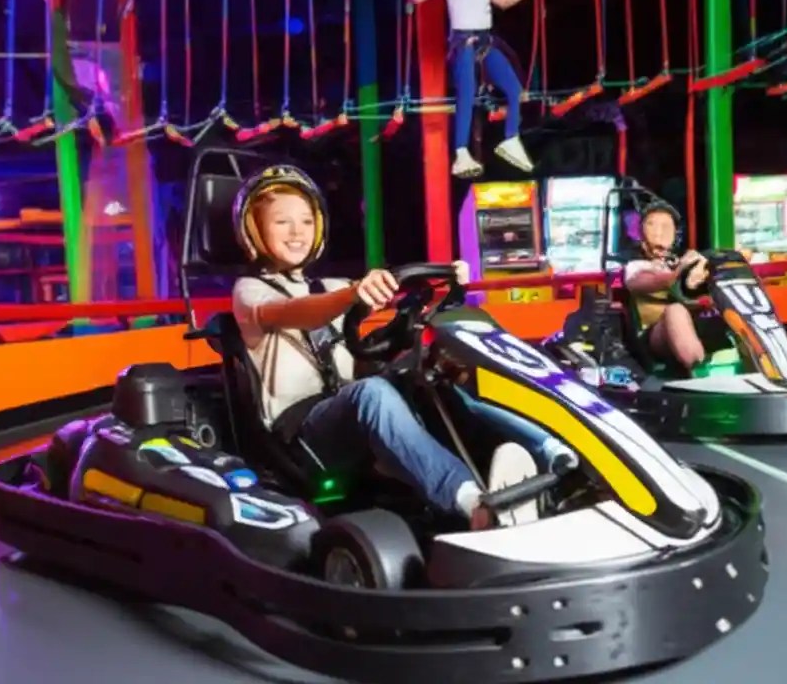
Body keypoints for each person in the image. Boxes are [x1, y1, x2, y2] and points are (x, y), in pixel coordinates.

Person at [229, 164, 573, 528]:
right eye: (282, 222)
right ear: (254, 230)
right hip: (302, 434)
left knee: (434, 372)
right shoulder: (250, 291)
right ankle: (474, 506)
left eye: (306, 222)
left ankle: (551, 450)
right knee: (372, 393)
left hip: (347, 409)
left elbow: (391, 293)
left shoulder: (329, 285)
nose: (297, 232)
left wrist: (443, 280)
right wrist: (353, 293)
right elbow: (296, 313)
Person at [405, 0, 540, 179]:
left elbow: (502, 2)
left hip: (485, 42)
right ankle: (461, 151)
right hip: (463, 42)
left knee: (515, 89)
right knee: (466, 94)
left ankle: (511, 138)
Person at [623, 202, 712, 373]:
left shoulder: (681, 262)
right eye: (651, 225)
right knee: (675, 311)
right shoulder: (636, 266)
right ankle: (699, 371)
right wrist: (676, 274)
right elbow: (643, 283)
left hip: (694, 324)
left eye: (665, 226)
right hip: (655, 335)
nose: (658, 231)